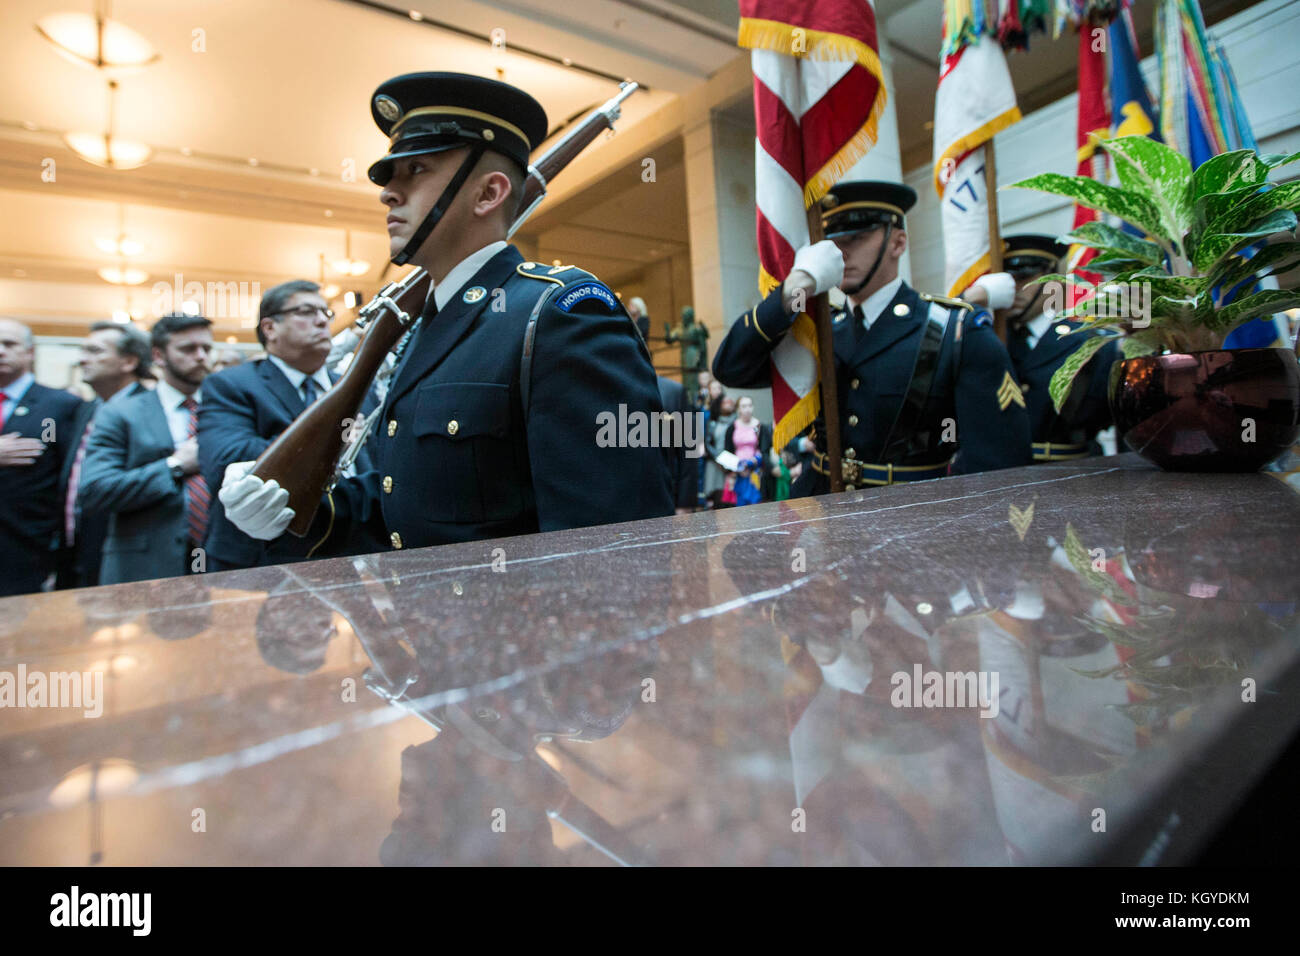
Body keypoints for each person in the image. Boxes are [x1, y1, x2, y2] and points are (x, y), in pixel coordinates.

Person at [217, 72, 672, 554]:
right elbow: (419, 499)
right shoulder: (421, 331)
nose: (388, 193)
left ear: (488, 193)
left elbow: (614, 546)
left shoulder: (558, 313)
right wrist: (293, 510)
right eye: (391, 176)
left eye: (416, 171)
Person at [713, 180, 1032, 495]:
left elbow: (997, 465)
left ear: (897, 243)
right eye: (832, 240)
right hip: (822, 512)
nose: (841, 251)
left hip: (914, 518)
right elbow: (731, 367)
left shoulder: (957, 330)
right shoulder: (817, 331)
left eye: (857, 238)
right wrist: (795, 286)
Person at [198, 280, 381, 571]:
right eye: (306, 311)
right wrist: (329, 441)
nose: (322, 320)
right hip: (261, 558)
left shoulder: (359, 387)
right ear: (270, 328)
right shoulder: (232, 384)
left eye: (325, 313)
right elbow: (226, 459)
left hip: (356, 548)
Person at [79, 313, 214, 584]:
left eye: (207, 348)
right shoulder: (122, 412)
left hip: (224, 562)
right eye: (188, 349)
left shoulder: (228, 407)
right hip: (146, 566)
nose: (200, 357)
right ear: (159, 355)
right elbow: (95, 490)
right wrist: (174, 466)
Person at [963, 235, 1119, 462]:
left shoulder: (1091, 342)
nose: (1014, 288)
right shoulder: (984, 338)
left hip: (1075, 477)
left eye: (1024, 277)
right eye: (1007, 280)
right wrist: (970, 300)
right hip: (998, 476)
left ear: (1057, 283)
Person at [56, 321, 153, 588]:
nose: (82, 359)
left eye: (95, 351)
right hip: (75, 546)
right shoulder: (85, 410)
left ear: (129, 361)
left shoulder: (152, 411)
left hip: (125, 554)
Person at [0, 319, 83, 596]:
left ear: (30, 351)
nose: (1, 351)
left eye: (9, 344)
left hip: (28, 548)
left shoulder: (60, 404)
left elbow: (69, 480)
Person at [724, 395, 773, 506]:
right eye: (744, 406)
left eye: (750, 406)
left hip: (755, 472)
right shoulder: (732, 427)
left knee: (756, 504)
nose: (747, 409)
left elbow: (765, 450)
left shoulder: (760, 427)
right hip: (737, 472)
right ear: (738, 409)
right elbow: (727, 451)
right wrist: (737, 468)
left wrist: (753, 462)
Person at [703, 394, 736, 508]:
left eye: (731, 402)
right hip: (716, 463)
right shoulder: (713, 423)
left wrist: (730, 463)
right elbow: (708, 443)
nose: (729, 404)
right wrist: (720, 459)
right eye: (725, 402)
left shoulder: (737, 422)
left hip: (733, 465)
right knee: (718, 499)